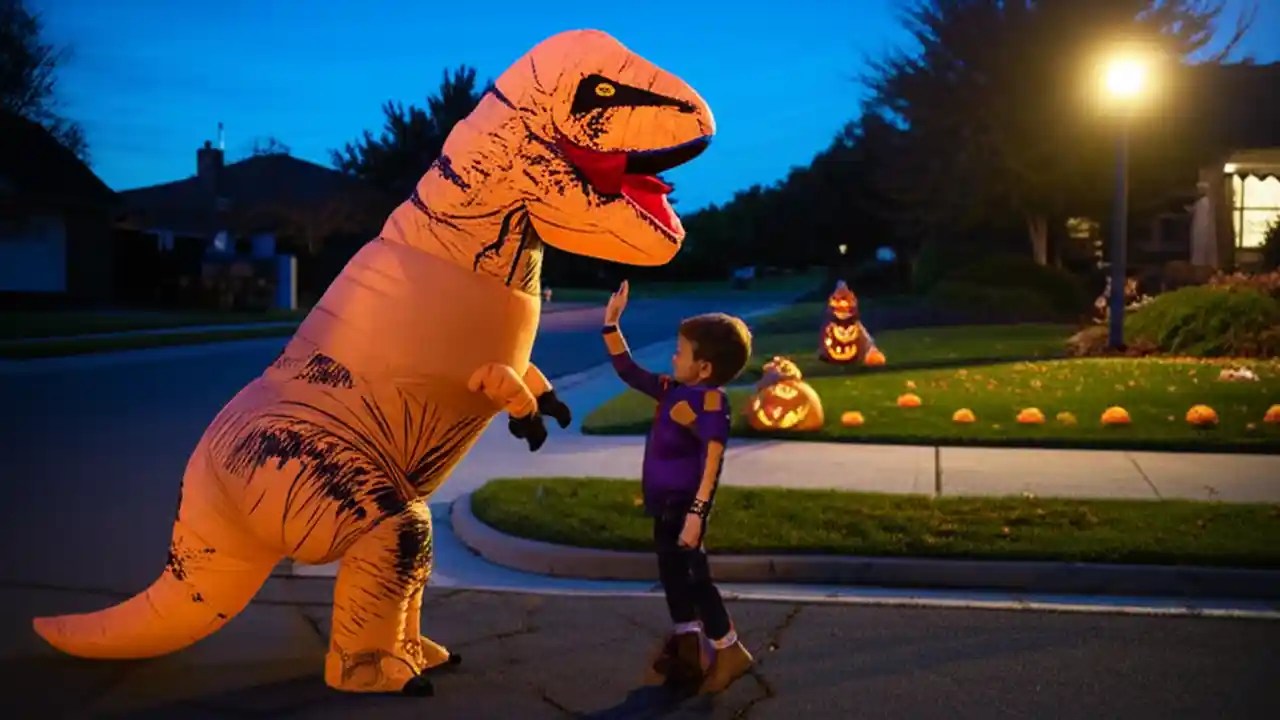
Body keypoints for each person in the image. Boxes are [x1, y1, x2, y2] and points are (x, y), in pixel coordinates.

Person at [601, 280, 755, 694]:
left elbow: (712, 460)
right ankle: (689, 652)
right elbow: (629, 371)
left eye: (680, 352)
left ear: (704, 368)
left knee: (695, 580)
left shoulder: (707, 403)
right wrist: (611, 326)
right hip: (664, 506)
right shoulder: (672, 391)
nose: (673, 356)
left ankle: (729, 649)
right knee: (673, 578)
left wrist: (697, 515)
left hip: (685, 506)